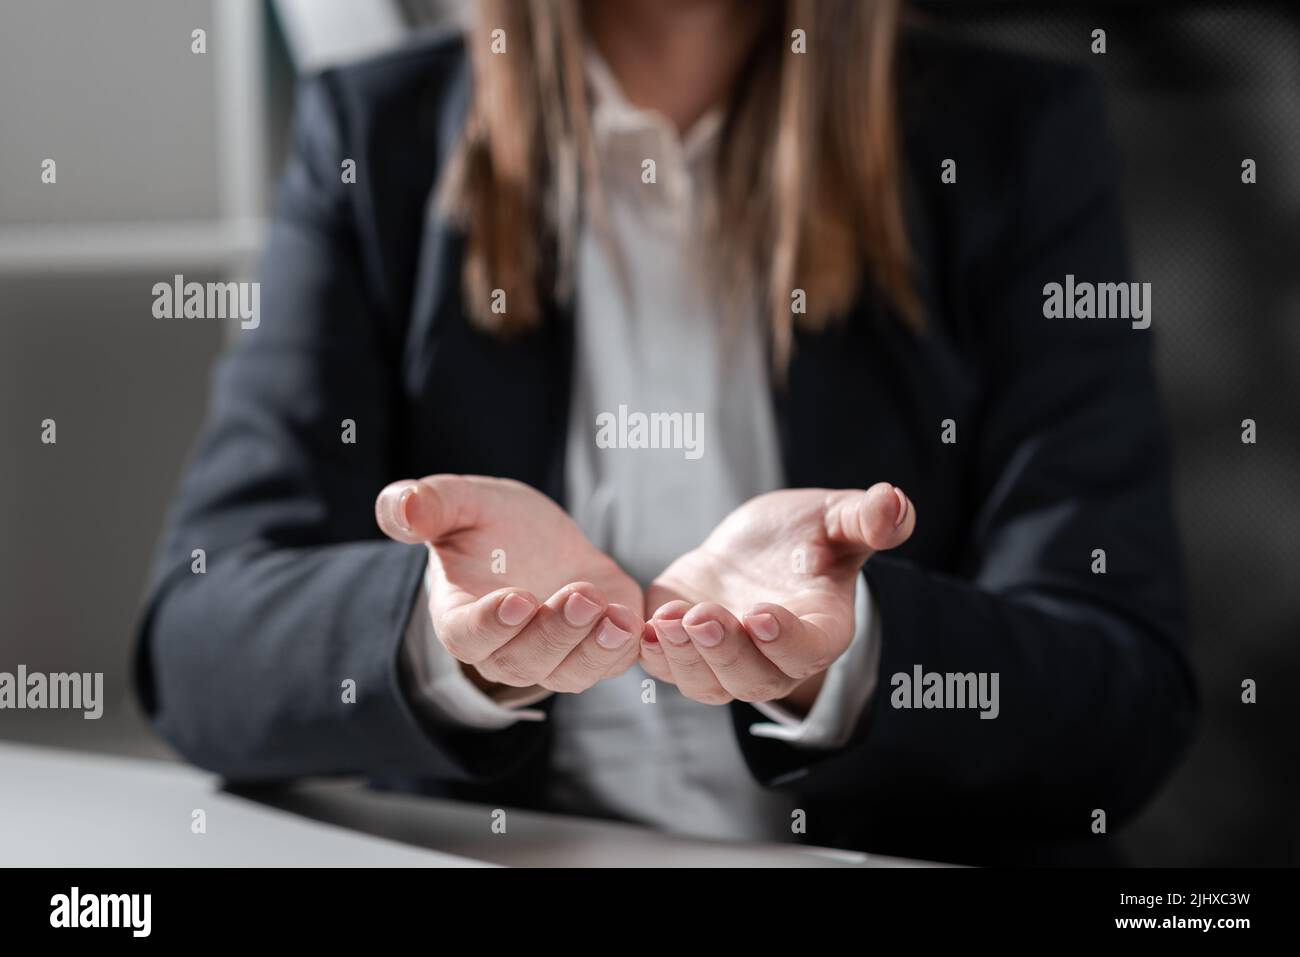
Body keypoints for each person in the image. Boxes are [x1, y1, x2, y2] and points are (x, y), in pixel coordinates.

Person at [135, 0, 1195, 865]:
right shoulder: (375, 132)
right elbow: (196, 653)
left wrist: (852, 656)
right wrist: (443, 634)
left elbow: (1123, 698)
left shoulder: (1013, 132)